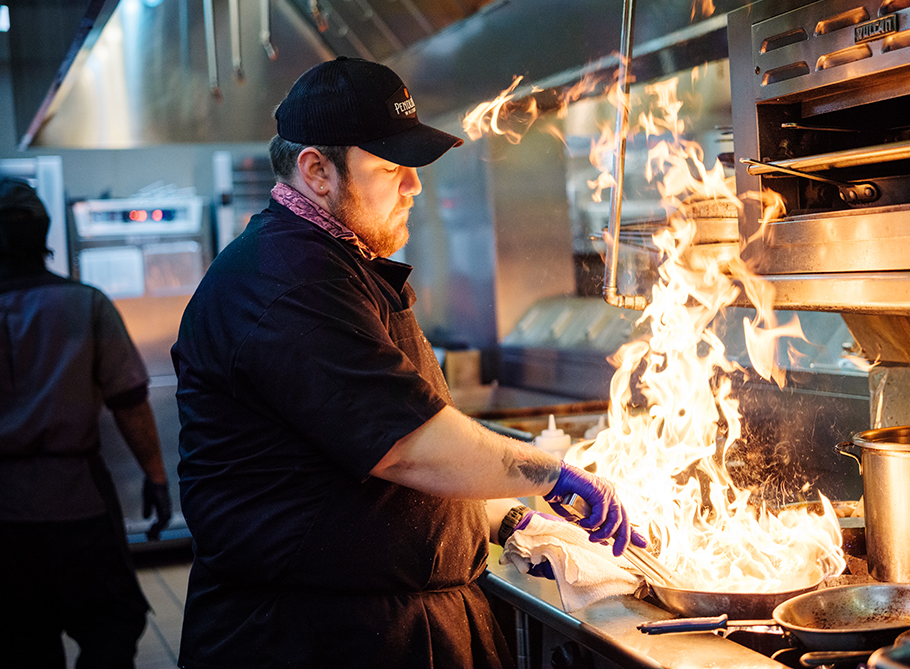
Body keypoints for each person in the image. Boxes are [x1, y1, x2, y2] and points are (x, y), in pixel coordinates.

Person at [171, 56, 645, 669]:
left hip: (375, 622)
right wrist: (550, 474)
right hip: (310, 639)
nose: (414, 186)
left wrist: (510, 517)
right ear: (316, 169)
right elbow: (410, 446)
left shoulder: (340, 264)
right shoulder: (288, 280)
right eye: (391, 168)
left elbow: (371, 469)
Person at [0, 178, 173, 669]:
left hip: (5, 518)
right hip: (77, 502)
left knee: (21, 641)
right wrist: (157, 477)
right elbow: (130, 401)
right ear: (43, 233)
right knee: (111, 624)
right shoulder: (85, 303)